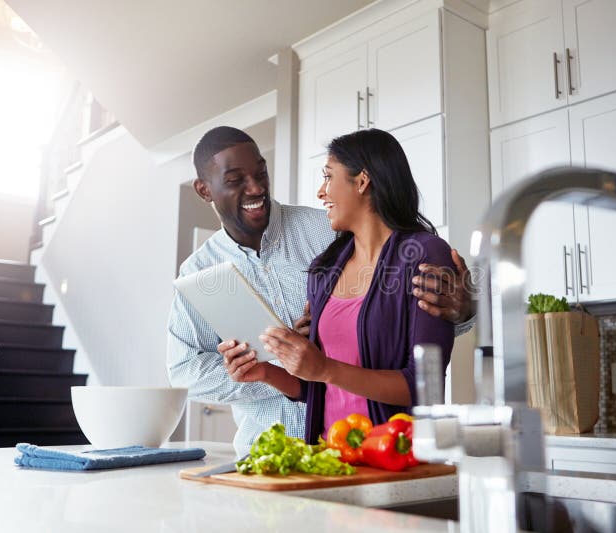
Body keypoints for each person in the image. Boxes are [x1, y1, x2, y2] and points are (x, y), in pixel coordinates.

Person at [167, 126, 473, 454]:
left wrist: (466, 311)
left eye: (261, 172)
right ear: (204, 190)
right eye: (235, 180)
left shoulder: (331, 234)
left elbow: (418, 342)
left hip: (381, 449)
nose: (256, 187)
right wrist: (273, 367)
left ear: (363, 182)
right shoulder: (202, 272)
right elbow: (184, 372)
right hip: (277, 452)